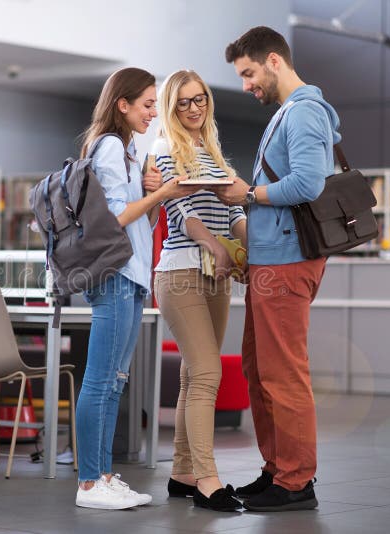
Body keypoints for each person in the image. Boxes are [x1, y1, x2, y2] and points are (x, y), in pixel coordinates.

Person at [213, 26, 342, 512]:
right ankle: (277, 470)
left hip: (288, 264)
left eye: (248, 74)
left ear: (273, 60)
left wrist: (247, 194)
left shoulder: (304, 112)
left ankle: (295, 481)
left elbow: (307, 184)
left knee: (283, 374)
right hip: (272, 262)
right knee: (260, 370)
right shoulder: (290, 113)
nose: (246, 85)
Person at [74, 67, 186, 510]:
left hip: (132, 274)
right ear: (122, 104)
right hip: (116, 276)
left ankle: (102, 474)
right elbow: (115, 218)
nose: (153, 112)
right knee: (101, 381)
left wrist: (149, 192)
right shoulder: (108, 147)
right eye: (146, 104)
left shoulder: (127, 150)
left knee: (115, 381)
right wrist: (160, 194)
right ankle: (89, 483)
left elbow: (138, 222)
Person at [147, 69, 246, 512]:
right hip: (182, 271)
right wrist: (215, 247)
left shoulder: (213, 152)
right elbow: (181, 209)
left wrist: (244, 249)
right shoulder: (165, 148)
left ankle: (182, 474)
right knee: (207, 373)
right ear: (171, 108)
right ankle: (209, 480)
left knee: (193, 375)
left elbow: (233, 211)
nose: (193, 108)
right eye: (183, 102)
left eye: (199, 99)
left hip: (217, 273)